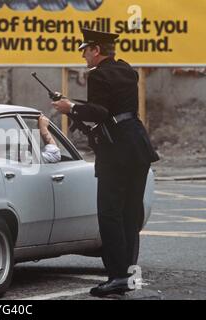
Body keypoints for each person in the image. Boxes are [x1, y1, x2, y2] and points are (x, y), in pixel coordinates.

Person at [51, 28, 160, 297]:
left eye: (85, 50)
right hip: (138, 145)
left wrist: (71, 109)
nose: (83, 56)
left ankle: (116, 277)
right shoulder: (126, 70)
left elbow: (99, 111)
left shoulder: (98, 74)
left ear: (96, 50)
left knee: (109, 214)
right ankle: (128, 275)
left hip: (117, 151)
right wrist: (75, 104)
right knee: (130, 214)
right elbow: (111, 108)